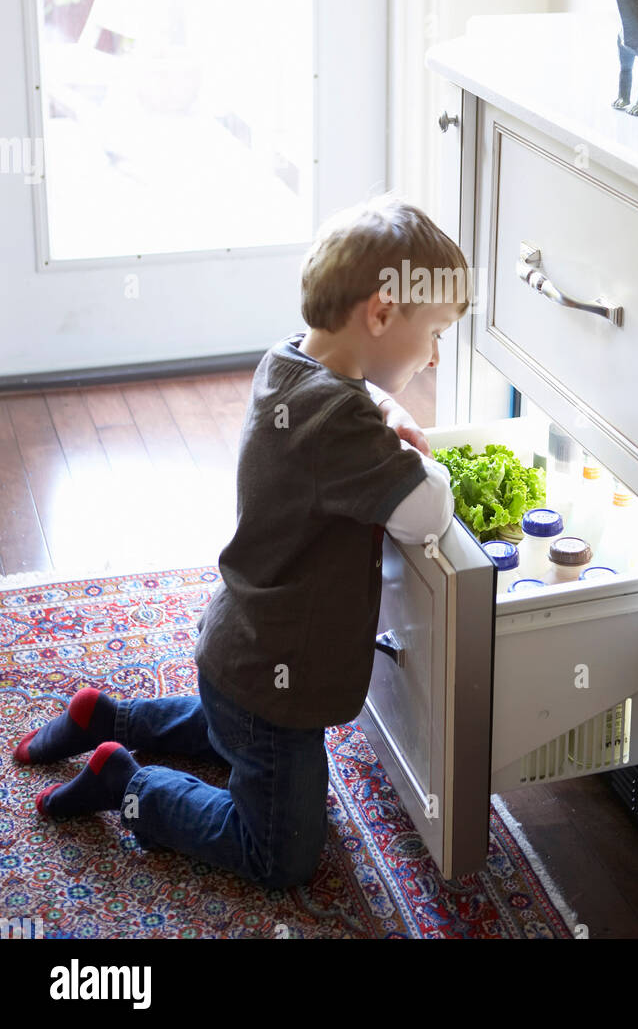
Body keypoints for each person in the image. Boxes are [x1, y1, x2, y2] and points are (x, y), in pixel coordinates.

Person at [14, 193, 470, 889]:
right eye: (435, 331)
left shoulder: (289, 363)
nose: (437, 353)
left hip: (236, 651)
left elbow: (348, 403)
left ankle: (108, 715)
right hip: (276, 688)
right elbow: (428, 511)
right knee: (278, 855)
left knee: (222, 729)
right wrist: (421, 455)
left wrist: (383, 407)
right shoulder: (341, 428)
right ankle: (128, 785)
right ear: (380, 313)